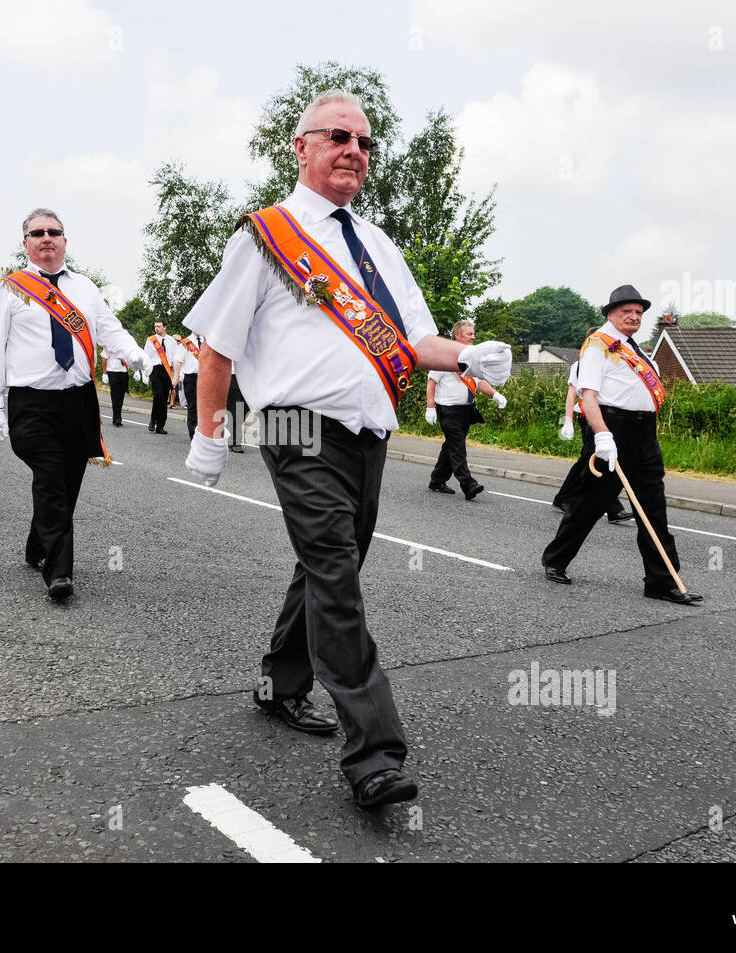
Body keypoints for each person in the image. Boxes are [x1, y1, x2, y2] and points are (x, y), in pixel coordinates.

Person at [183, 90, 512, 810]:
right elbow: (217, 345)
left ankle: (279, 679)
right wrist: (210, 434)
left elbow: (411, 343)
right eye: (338, 136)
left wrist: (467, 356)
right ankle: (374, 754)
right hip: (294, 426)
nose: (354, 151)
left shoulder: (379, 246)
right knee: (337, 571)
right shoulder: (266, 235)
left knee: (329, 561)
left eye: (365, 142)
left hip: (367, 431)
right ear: (300, 147)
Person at [0, 208, 144, 602]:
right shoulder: (11, 289)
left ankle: (38, 546)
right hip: (32, 403)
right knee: (51, 480)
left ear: (65, 241)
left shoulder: (85, 288)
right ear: (26, 244)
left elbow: (108, 329)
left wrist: (135, 353)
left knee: (68, 484)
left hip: (78, 402)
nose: (46, 238)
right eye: (37, 233)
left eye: (54, 231)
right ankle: (59, 573)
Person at [541, 285, 702, 605]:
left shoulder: (635, 348)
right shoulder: (597, 345)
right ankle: (555, 559)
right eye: (626, 311)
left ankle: (661, 581)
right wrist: (601, 435)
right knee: (591, 502)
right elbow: (588, 397)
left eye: (639, 313)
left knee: (653, 505)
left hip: (644, 433)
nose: (634, 317)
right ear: (610, 314)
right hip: (612, 428)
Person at [552, 328, 633, 524]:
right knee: (594, 460)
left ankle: (563, 498)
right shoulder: (581, 364)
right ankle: (613, 509)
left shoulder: (614, 362)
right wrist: (568, 420)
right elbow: (572, 394)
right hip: (588, 417)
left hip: (609, 418)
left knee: (587, 460)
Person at [425, 319, 506, 500]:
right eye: (469, 334)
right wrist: (430, 407)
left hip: (466, 410)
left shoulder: (472, 357)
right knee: (457, 446)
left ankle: (437, 480)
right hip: (448, 410)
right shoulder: (445, 355)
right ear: (458, 335)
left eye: (473, 333)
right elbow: (432, 382)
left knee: (451, 447)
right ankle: (468, 484)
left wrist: (495, 394)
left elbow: (479, 382)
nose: (473, 337)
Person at [143, 320, 178, 433]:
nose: (156, 328)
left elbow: (175, 358)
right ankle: (153, 421)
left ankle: (160, 426)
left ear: (165, 327)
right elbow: (146, 356)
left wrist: (177, 375)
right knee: (157, 395)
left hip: (167, 371)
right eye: (155, 326)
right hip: (155, 369)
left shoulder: (171, 341)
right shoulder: (151, 340)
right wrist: (145, 373)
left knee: (164, 398)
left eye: (158, 326)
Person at [173, 331, 203, 439]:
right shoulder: (185, 343)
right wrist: (176, 377)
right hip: (191, 377)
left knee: (204, 406)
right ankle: (193, 433)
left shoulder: (208, 341)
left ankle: (203, 432)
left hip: (205, 377)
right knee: (193, 405)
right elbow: (178, 361)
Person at [101, 341, 130, 427]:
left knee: (121, 396)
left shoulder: (126, 346)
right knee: (115, 396)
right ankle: (117, 418)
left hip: (124, 373)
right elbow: (104, 359)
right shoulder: (109, 345)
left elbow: (130, 359)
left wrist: (136, 370)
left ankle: (117, 416)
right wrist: (104, 373)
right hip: (113, 372)